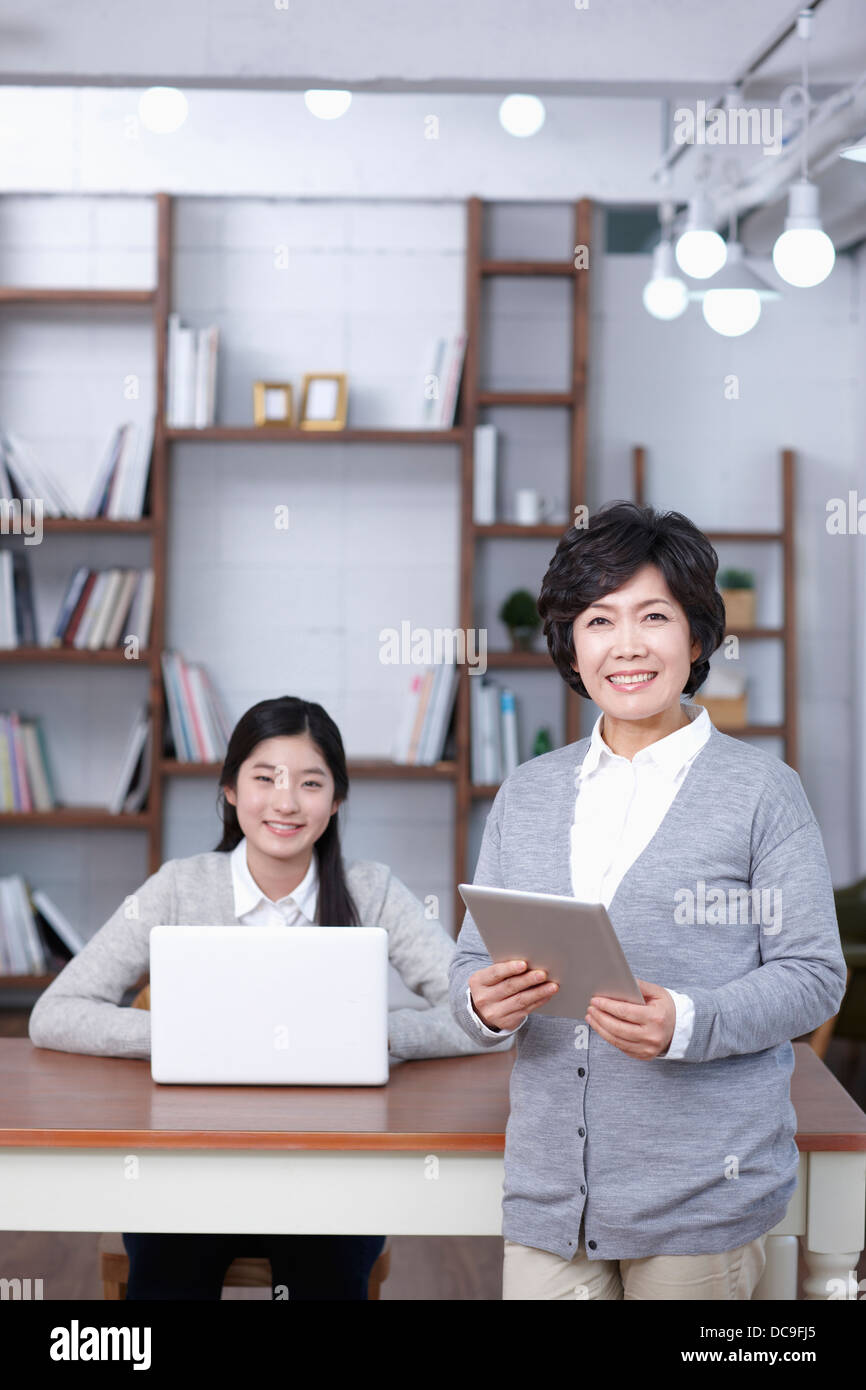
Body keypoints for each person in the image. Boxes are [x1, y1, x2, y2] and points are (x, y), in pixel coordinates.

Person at [449, 499, 848, 1301]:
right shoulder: (527, 794)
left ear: (695, 637)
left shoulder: (763, 792)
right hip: (548, 1197)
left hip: (701, 1198)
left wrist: (687, 1023)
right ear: (571, 645)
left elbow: (813, 974)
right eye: (598, 621)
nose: (626, 646)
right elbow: (467, 963)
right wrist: (482, 1004)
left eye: (653, 617)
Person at [28, 695, 511, 1300]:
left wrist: (377, 1037)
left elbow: (482, 1012)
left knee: (324, 1275)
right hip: (189, 1167)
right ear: (230, 789)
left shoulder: (371, 890)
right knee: (168, 1277)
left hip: (333, 1168)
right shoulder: (180, 886)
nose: (286, 802)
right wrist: (178, 1037)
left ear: (336, 801)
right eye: (265, 779)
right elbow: (55, 1013)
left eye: (311, 783)